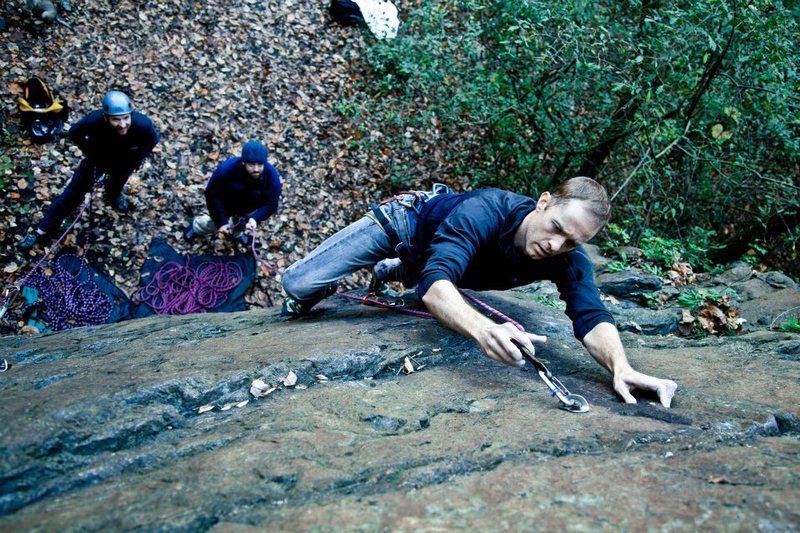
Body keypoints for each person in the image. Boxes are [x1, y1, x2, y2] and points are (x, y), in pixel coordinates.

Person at [281, 177, 678, 407]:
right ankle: (389, 265)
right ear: (543, 203)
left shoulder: (567, 258)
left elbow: (591, 315)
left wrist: (619, 367)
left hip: (449, 265)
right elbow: (435, 292)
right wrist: (485, 330)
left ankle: (397, 271)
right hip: (406, 226)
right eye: (557, 228)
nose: (557, 246)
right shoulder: (486, 209)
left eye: (572, 242)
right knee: (297, 285)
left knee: (432, 274)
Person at [19, 90, 159, 249]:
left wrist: (137, 158)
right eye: (116, 120)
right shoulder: (94, 121)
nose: (122, 124)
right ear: (106, 117)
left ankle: (113, 196)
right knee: (72, 194)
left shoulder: (142, 124)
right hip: (96, 161)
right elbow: (74, 133)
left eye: (126, 118)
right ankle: (42, 230)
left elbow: (153, 140)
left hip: (124, 163)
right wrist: (91, 151)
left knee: (116, 184)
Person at [183, 141, 282, 246]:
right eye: (251, 164)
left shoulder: (272, 177)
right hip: (225, 204)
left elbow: (271, 204)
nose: (256, 169)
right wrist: (221, 222)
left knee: (240, 224)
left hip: (249, 208)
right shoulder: (226, 170)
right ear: (243, 162)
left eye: (260, 164)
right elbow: (212, 195)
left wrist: (255, 218)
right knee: (210, 222)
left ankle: (237, 235)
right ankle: (197, 228)